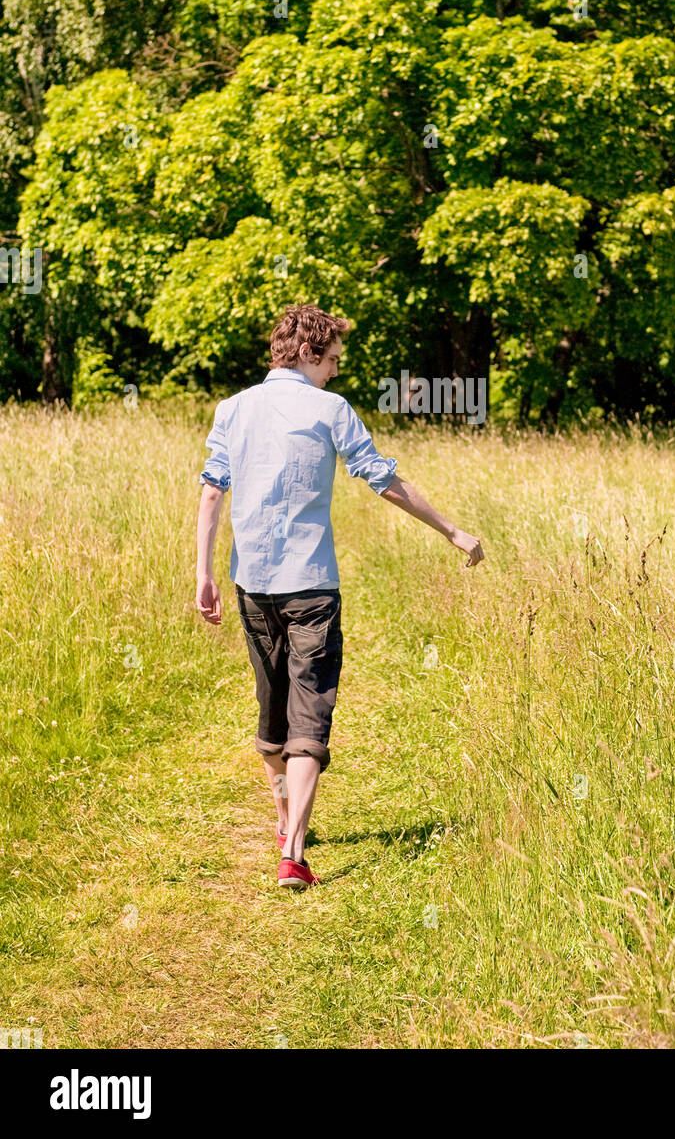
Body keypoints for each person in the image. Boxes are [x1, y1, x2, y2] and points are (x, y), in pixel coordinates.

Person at [195, 304, 484, 890]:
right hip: (313, 588)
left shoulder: (233, 408)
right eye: (331, 361)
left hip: (252, 584)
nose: (333, 373)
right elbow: (386, 482)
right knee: (309, 715)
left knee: (273, 709)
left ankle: (288, 827)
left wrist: (203, 574)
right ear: (306, 353)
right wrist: (452, 530)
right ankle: (293, 851)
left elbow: (210, 493)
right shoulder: (331, 411)